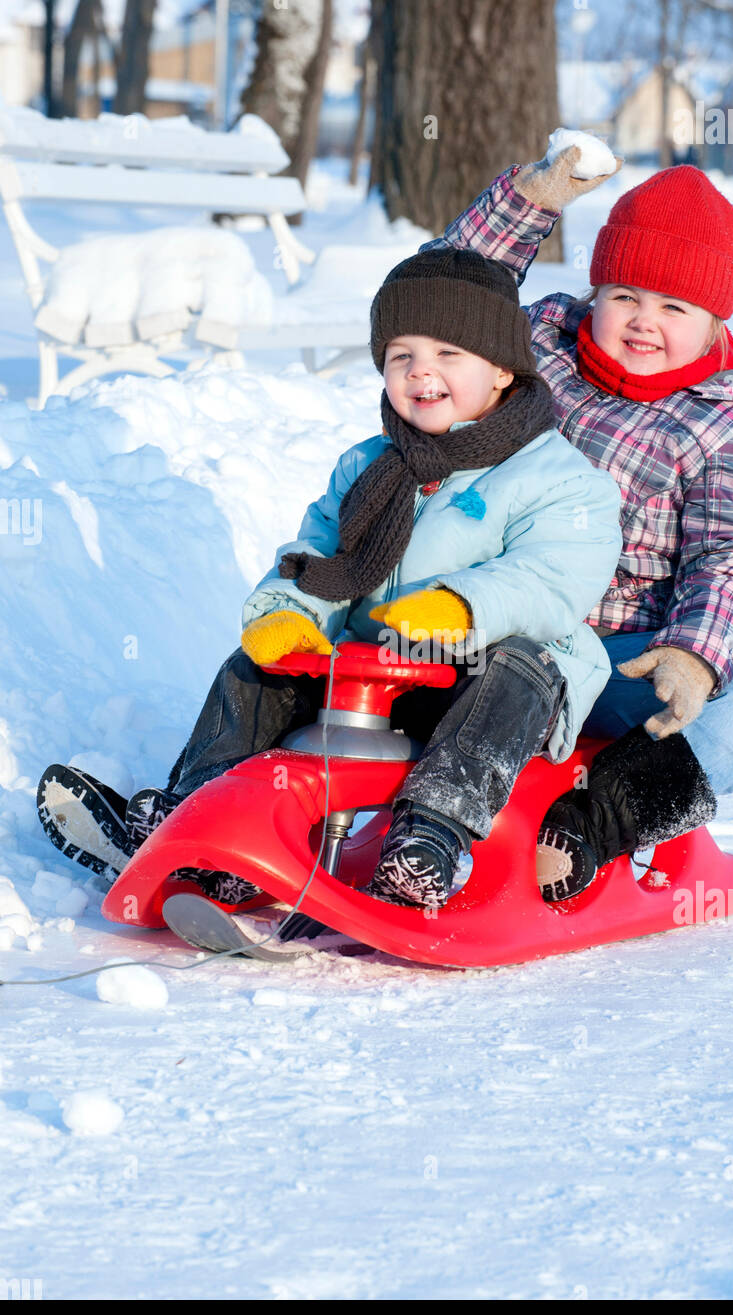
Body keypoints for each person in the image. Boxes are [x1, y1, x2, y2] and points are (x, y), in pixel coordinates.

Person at [37, 247, 621, 910]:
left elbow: (552, 577)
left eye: (448, 353)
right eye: (401, 355)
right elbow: (318, 557)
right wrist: (290, 613)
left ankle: (429, 840)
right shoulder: (369, 466)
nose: (420, 371)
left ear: (502, 370)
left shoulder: (557, 477)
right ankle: (197, 818)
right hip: (377, 677)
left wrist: (462, 608)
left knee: (513, 665)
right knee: (259, 668)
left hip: (490, 687)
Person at [420, 147, 733, 901]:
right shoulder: (539, 347)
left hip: (612, 657)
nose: (644, 322)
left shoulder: (727, 424)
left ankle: (594, 823)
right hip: (485, 617)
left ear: (714, 323)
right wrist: (528, 202)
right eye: (626, 295)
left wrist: (693, 657)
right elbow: (442, 302)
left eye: (674, 308)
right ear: (596, 291)